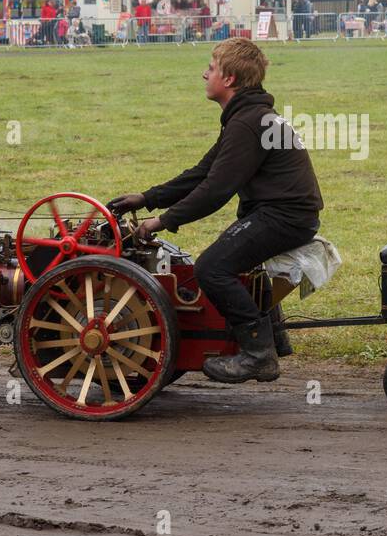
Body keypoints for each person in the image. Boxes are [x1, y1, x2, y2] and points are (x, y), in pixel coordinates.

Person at [108, 38, 324, 383]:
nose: (204, 74)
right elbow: (202, 173)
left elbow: (215, 191)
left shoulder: (248, 123)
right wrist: (147, 197)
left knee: (212, 267)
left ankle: (258, 355)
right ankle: (272, 339)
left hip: (284, 217)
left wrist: (160, 221)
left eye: (211, 68)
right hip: (286, 214)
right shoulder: (248, 117)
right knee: (233, 261)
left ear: (230, 80)